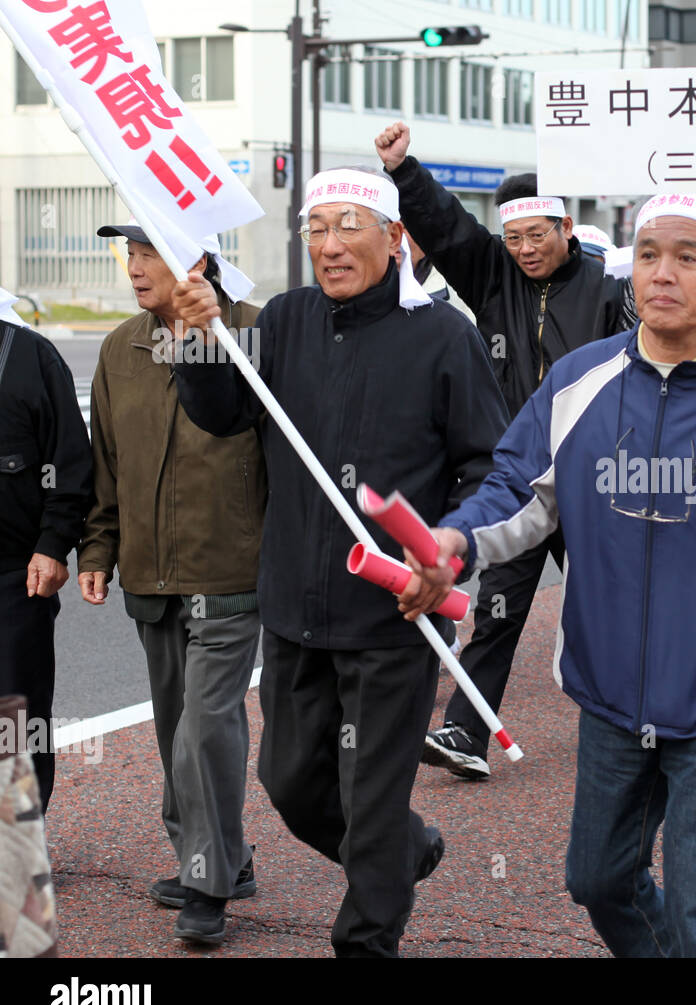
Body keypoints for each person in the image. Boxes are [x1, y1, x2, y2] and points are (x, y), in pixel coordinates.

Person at [398, 192, 696, 957]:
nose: (661, 272)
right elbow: (515, 492)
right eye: (650, 253)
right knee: (598, 879)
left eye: (688, 257)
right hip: (608, 690)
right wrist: (453, 542)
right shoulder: (579, 380)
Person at [171, 166, 510, 957]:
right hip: (294, 602)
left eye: (349, 226)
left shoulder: (444, 336)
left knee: (373, 793)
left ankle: (366, 935)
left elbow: (487, 467)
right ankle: (400, 854)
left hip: (395, 614)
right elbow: (221, 414)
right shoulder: (285, 320)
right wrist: (195, 337)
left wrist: (443, 553)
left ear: (395, 238)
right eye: (316, 228)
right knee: (290, 781)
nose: (330, 245)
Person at [375, 121, 634, 780]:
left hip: (591, 476)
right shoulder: (491, 274)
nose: (523, 249)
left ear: (566, 227)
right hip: (518, 475)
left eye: (536, 235)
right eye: (513, 237)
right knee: (496, 607)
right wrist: (405, 171)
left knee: (610, 605)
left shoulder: (607, 291)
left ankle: (636, 721)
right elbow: (448, 226)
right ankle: (465, 728)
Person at [77, 222, 263, 945]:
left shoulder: (250, 332)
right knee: (173, 731)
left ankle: (209, 882)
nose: (134, 266)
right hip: (150, 571)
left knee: (204, 729)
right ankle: (221, 857)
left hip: (229, 567)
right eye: (129, 253)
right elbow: (106, 462)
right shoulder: (120, 346)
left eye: (149, 251)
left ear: (198, 257)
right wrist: (99, 546)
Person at [0, 294, 92, 813]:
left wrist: (54, 543)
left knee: (15, 711)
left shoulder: (32, 356)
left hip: (15, 573)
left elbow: (71, 460)